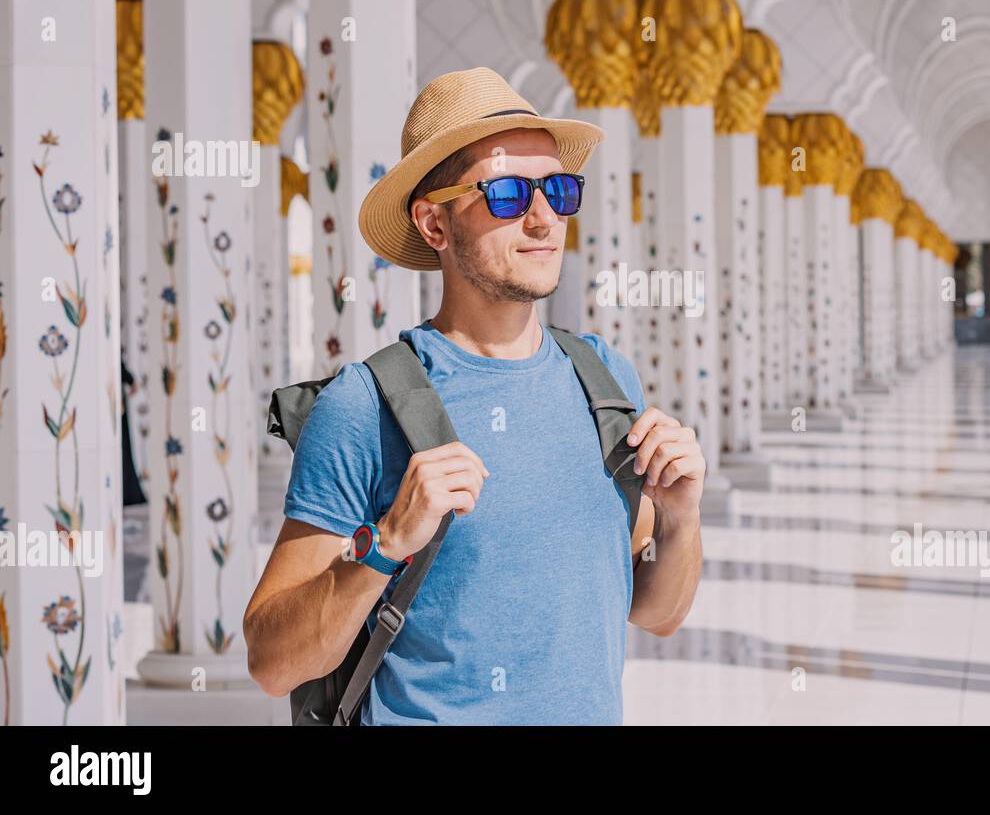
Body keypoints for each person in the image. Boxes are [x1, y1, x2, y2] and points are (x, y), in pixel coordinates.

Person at [243, 67, 705, 724]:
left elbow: (658, 613)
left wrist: (682, 516)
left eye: (560, 190)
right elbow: (270, 661)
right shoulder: (366, 404)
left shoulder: (601, 379)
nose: (544, 219)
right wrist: (385, 543)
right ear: (434, 223)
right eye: (509, 193)